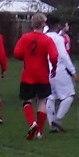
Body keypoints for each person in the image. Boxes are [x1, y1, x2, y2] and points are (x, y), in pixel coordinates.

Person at [13, 12, 59, 140]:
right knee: (42, 101)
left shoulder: (25, 38)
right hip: (42, 75)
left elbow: (17, 53)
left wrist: (26, 57)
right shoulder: (47, 39)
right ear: (43, 24)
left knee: (27, 100)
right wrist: (54, 68)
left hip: (28, 74)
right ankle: (39, 132)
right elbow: (54, 56)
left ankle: (32, 123)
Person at [45, 16, 78, 132]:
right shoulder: (58, 39)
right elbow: (63, 56)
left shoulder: (43, 37)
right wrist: (73, 71)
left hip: (45, 71)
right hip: (58, 69)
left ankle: (51, 124)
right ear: (57, 25)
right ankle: (58, 119)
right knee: (70, 95)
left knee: (50, 97)